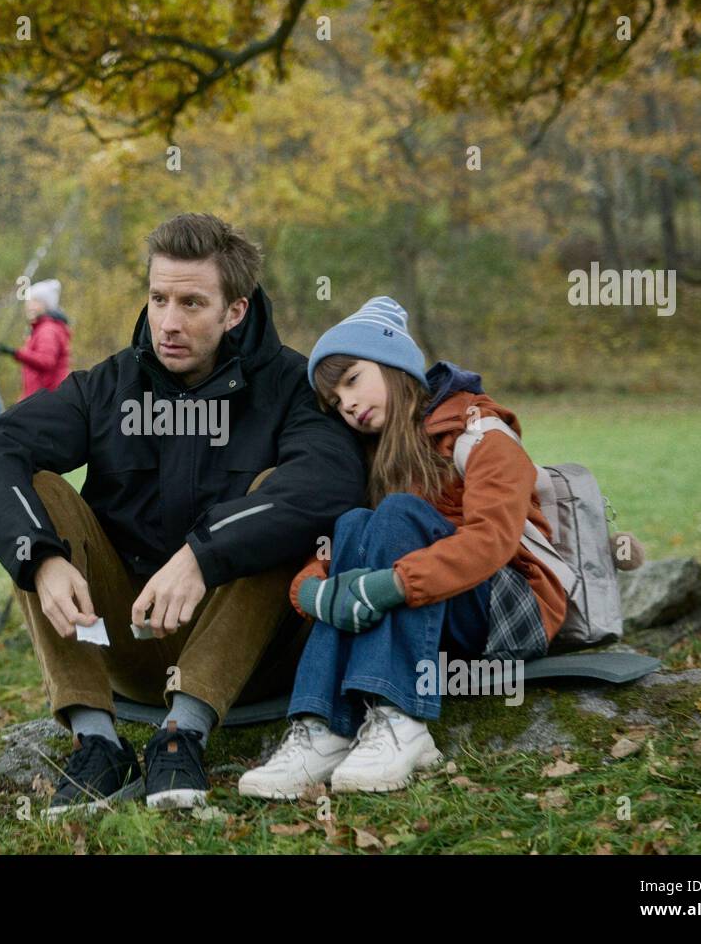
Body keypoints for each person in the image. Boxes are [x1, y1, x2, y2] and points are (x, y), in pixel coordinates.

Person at [0, 212, 367, 814]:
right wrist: (40, 559)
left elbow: (327, 485)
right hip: (130, 642)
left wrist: (204, 555)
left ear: (235, 312)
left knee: (280, 499)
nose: (168, 322)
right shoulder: (108, 387)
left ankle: (184, 733)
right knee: (36, 492)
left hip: (254, 655)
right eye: (158, 298)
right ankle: (96, 742)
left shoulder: (290, 388)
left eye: (193, 303)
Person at [238, 297, 566, 800]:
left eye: (351, 380)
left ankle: (401, 719)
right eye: (335, 402)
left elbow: (493, 539)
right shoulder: (381, 458)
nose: (346, 404)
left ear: (393, 365)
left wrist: (393, 584)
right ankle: (322, 727)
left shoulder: (479, 431)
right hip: (437, 613)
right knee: (355, 521)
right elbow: (335, 544)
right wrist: (313, 588)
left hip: (510, 608)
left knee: (396, 515)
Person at [0, 278, 71, 400]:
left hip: (46, 400)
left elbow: (46, 361)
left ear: (46, 305)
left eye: (35, 301)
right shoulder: (41, 328)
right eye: (29, 301)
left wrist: (16, 353)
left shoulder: (48, 330)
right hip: (40, 397)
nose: (29, 305)